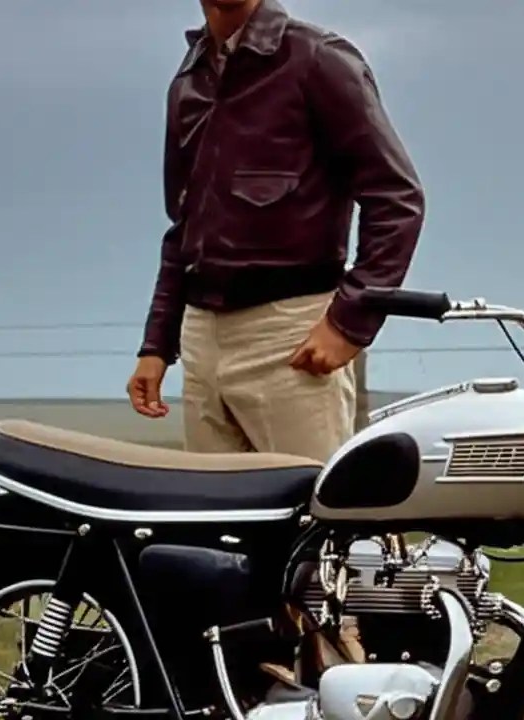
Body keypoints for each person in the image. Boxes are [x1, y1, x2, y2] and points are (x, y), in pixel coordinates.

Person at [126, 0, 425, 462]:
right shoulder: (189, 80)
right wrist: (156, 345)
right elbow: (183, 227)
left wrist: (349, 323)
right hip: (201, 338)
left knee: (312, 518)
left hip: (290, 334)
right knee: (214, 521)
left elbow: (396, 199)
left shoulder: (318, 60)